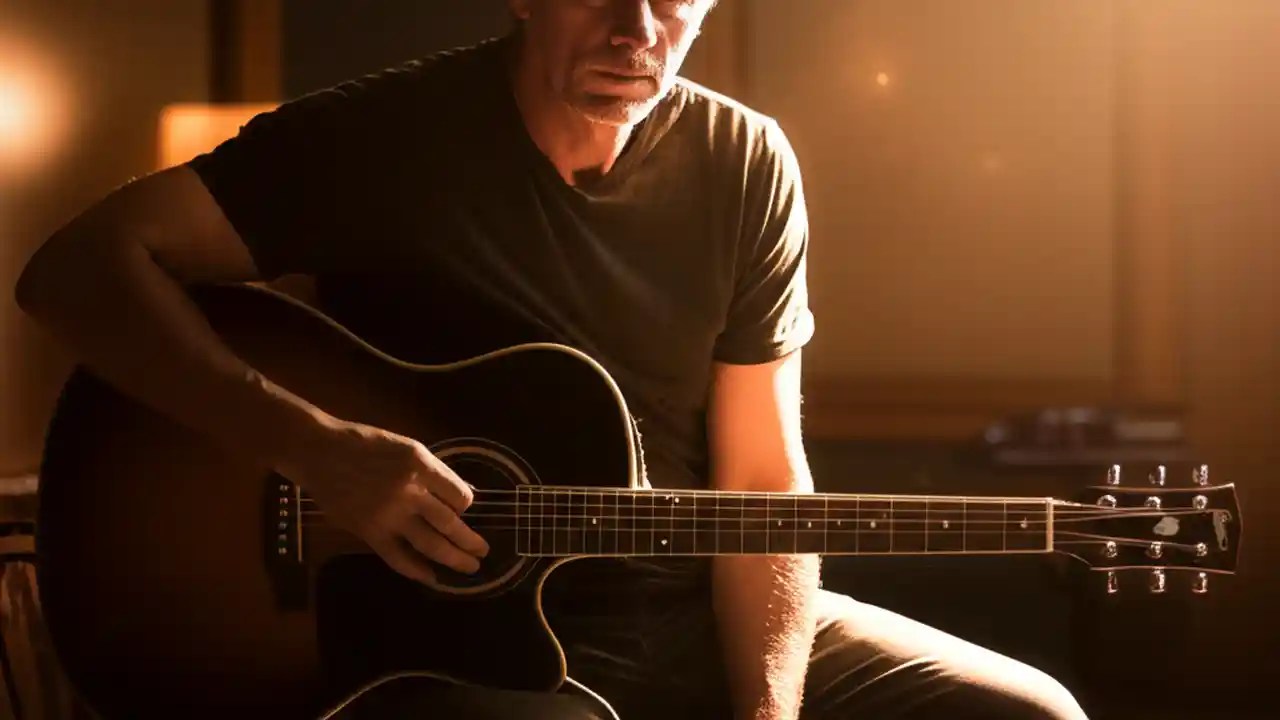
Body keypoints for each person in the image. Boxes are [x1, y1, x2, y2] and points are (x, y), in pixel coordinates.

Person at [15, 1, 1089, 718]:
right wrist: (310, 446)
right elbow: (74, 272)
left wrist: (764, 715)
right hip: (448, 642)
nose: (636, 27)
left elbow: (762, 480)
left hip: (680, 609)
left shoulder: (746, 165)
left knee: (1034, 714)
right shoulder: (385, 139)